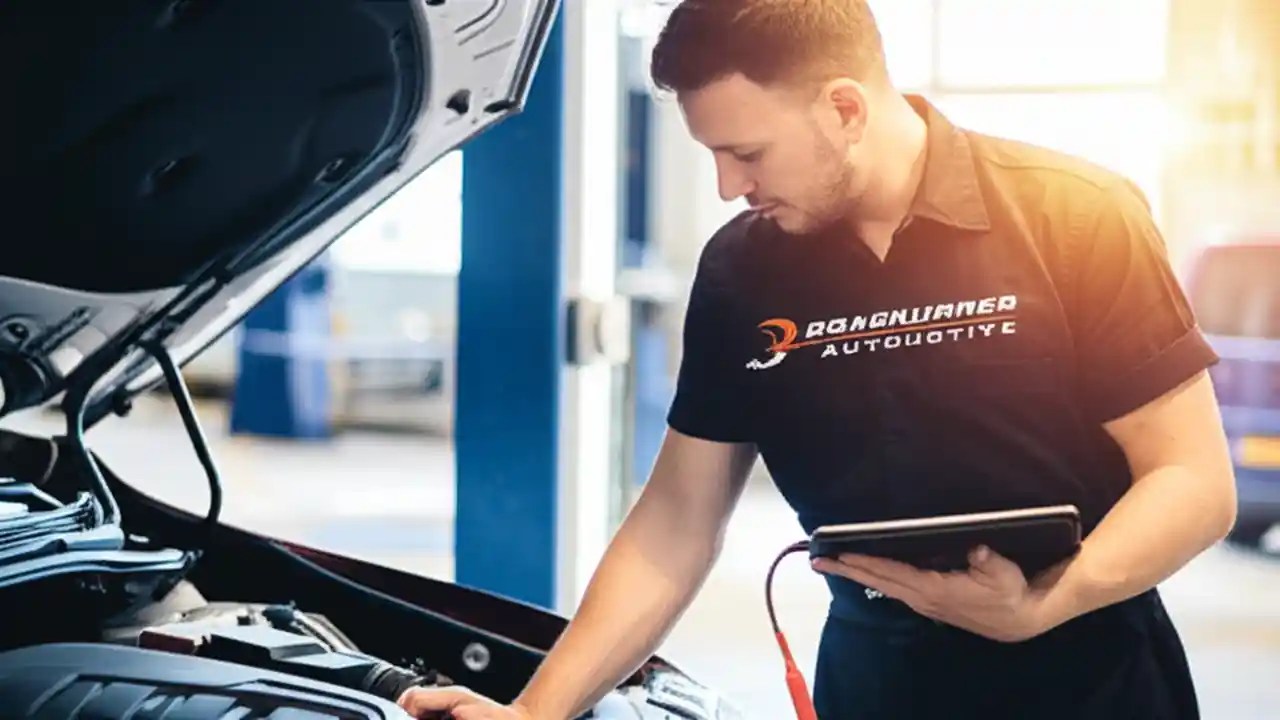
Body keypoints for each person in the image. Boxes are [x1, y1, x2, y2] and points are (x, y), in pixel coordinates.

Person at [399, 1, 1238, 718]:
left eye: (748, 153)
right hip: (872, 685)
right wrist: (534, 711)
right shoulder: (743, 271)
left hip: (1091, 679)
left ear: (844, 108)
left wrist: (1049, 602)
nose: (729, 186)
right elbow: (676, 523)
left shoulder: (1076, 216)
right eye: (713, 156)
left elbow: (1194, 482)